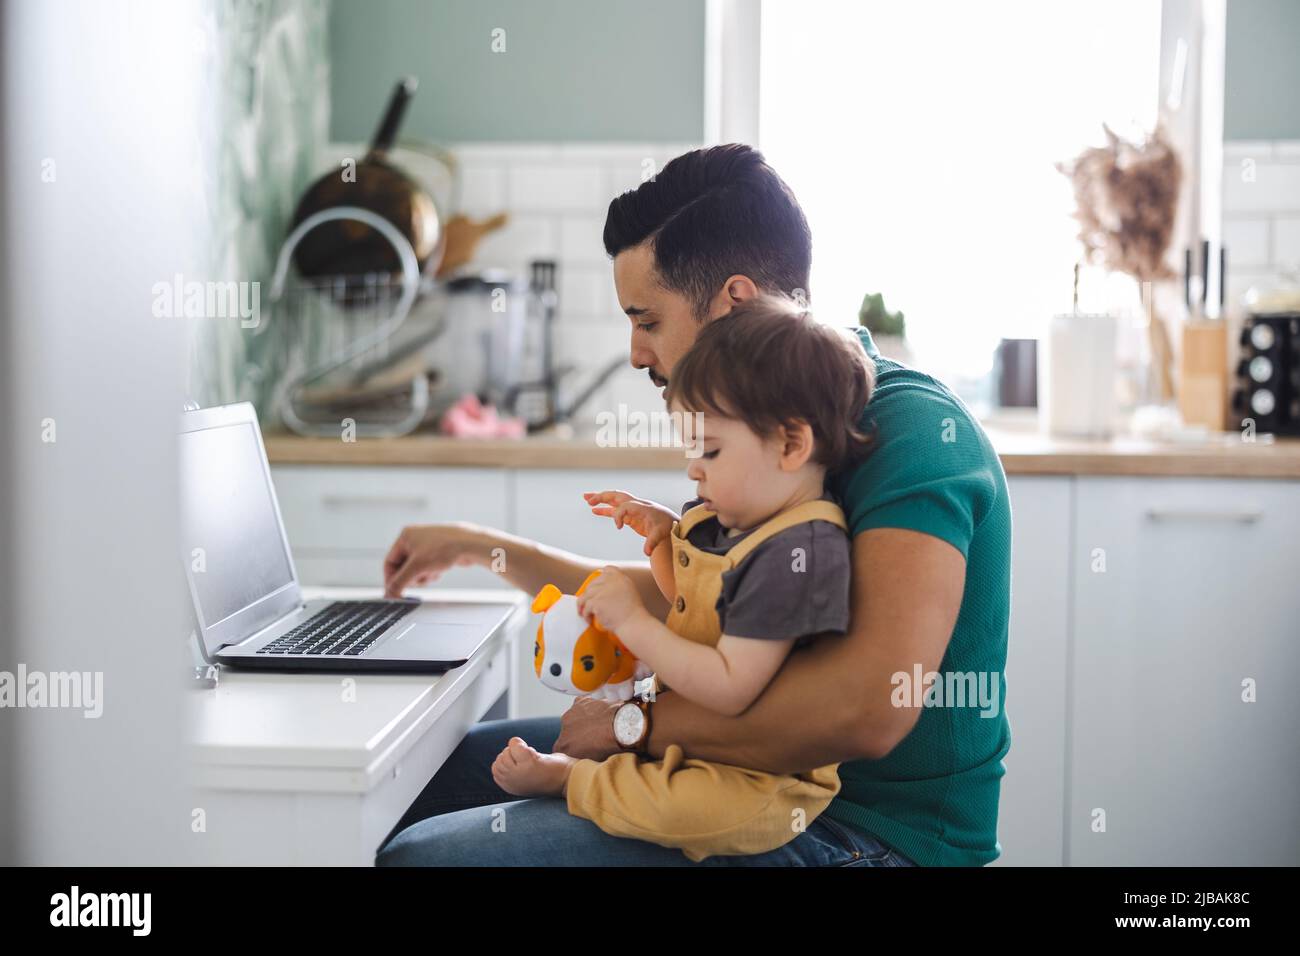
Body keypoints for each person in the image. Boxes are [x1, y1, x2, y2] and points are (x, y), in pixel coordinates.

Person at [377, 144, 1011, 867]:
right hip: (743, 777)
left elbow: (868, 710)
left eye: (647, 320)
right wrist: (479, 548)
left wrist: (632, 724)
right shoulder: (760, 425)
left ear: (733, 303)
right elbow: (697, 597)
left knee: (431, 858)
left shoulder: (916, 436)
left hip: (867, 831)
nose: (636, 353)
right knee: (422, 781)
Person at [491, 297, 874, 861]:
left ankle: (570, 780)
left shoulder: (798, 552)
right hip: (700, 739)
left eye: (711, 451)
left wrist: (631, 622)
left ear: (792, 444)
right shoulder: (746, 522)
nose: (693, 469)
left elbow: (728, 682)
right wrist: (666, 544)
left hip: (756, 779)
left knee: (686, 811)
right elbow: (706, 616)